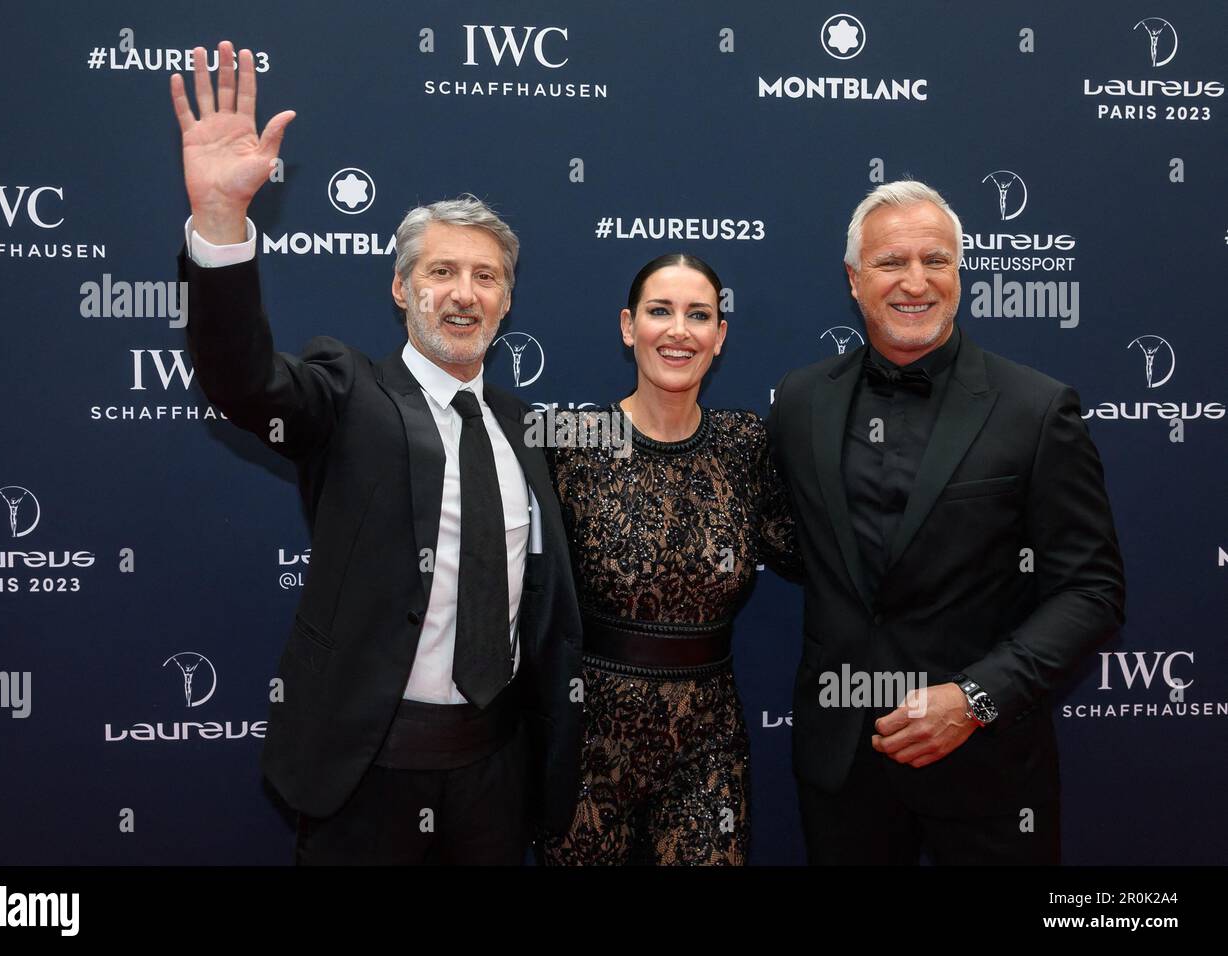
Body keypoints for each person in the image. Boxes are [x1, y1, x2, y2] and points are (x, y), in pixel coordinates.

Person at [169, 41, 582, 864]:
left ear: (507, 299)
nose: (464, 293)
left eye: (486, 276)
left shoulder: (522, 423)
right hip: (367, 770)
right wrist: (220, 224)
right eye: (441, 272)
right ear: (401, 288)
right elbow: (242, 380)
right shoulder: (346, 391)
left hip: (497, 769)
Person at [766, 180, 1125, 864]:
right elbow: (799, 549)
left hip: (987, 768)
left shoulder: (1036, 409)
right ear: (853, 279)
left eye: (936, 260)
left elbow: (1092, 592)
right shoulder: (801, 401)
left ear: (961, 272)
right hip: (842, 767)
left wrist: (975, 699)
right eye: (892, 262)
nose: (916, 282)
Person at [540, 254, 803, 865]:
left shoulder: (745, 443)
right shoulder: (569, 442)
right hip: (587, 744)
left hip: (707, 743)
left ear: (721, 335)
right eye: (660, 312)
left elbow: (810, 553)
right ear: (629, 327)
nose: (679, 330)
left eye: (699, 315)